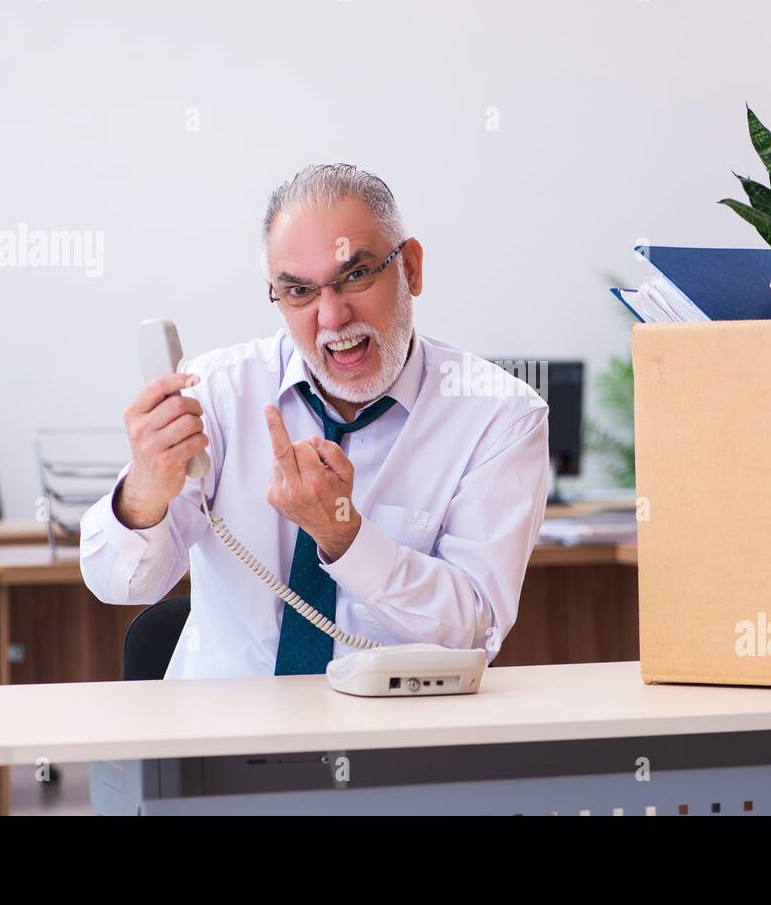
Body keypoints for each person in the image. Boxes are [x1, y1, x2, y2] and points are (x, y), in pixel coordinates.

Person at [79, 163, 550, 678]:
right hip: (223, 736)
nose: (331, 317)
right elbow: (119, 584)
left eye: (355, 275)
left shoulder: (499, 416)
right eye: (300, 292)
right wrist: (143, 492)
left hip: (394, 740)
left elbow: (475, 630)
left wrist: (344, 535)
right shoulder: (215, 391)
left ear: (411, 268)